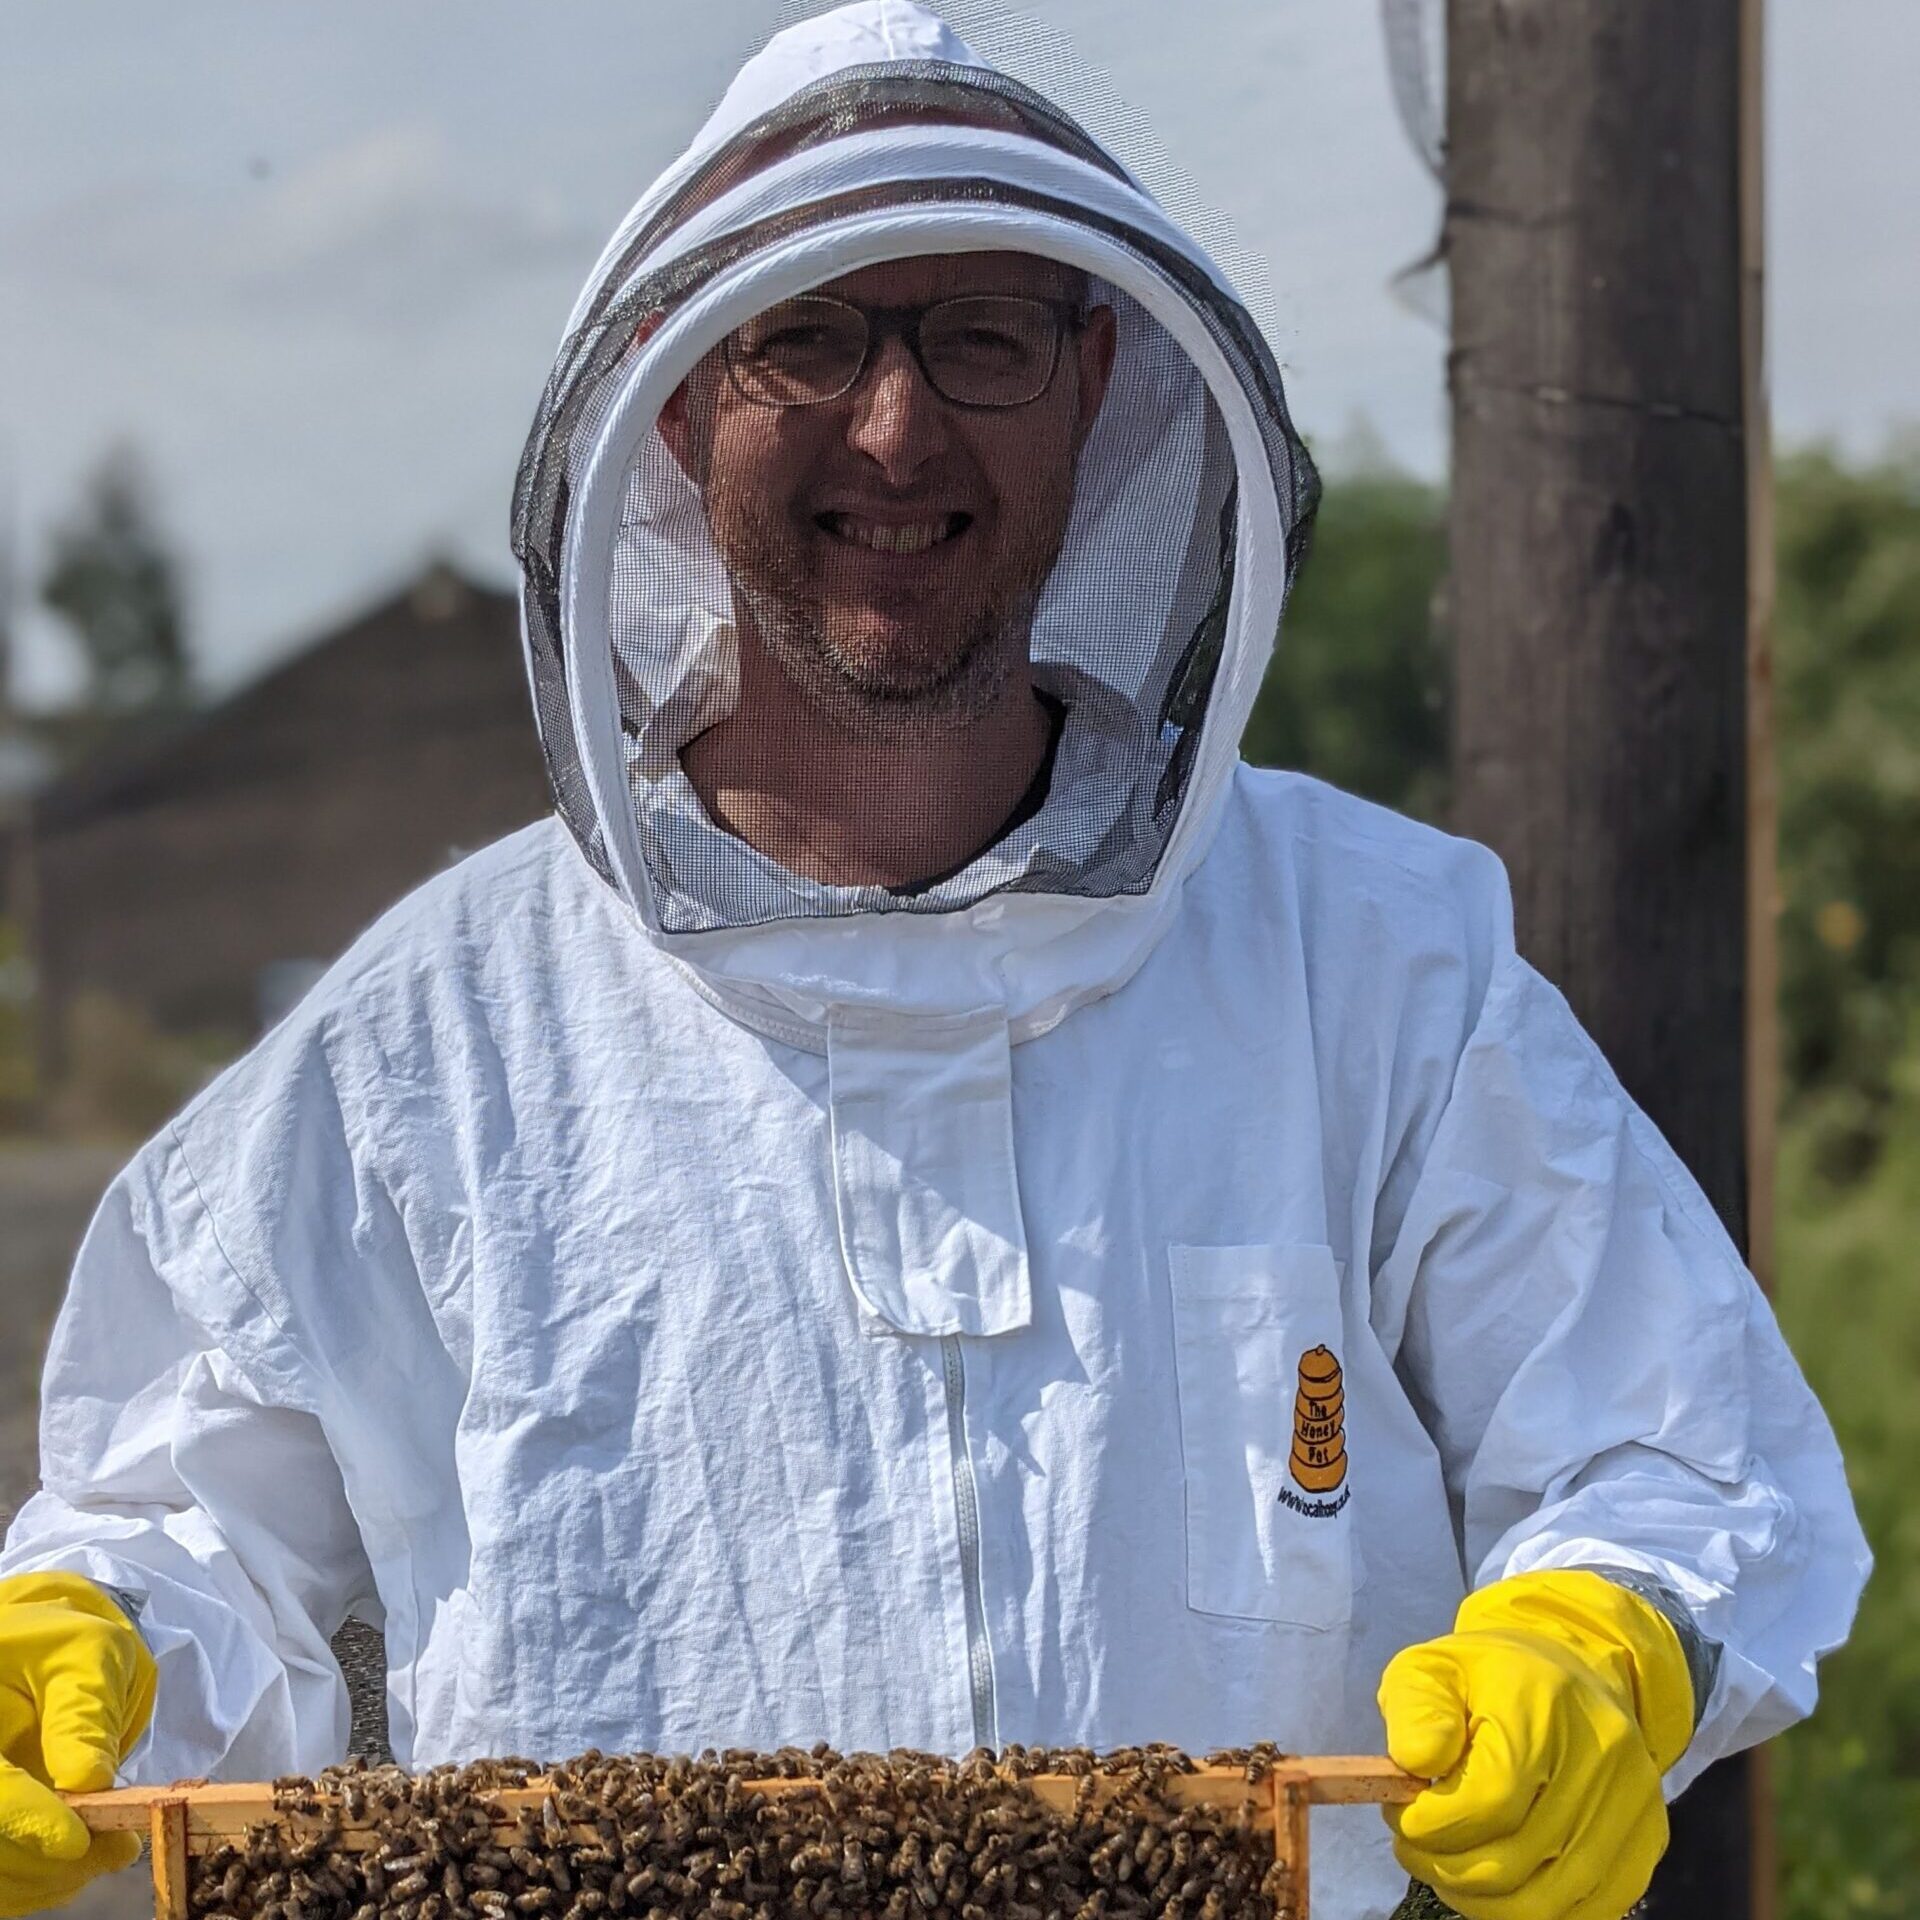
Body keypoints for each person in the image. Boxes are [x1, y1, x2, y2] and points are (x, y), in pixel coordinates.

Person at [0, 8, 1867, 1919]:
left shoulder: (1380, 963)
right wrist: (97, 1639)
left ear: (1099, 384)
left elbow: (1679, 1460)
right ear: (672, 395)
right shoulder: (431, 1048)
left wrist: (1602, 1646)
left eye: (978, 337)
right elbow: (186, 1527)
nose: (895, 429)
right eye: (806, 334)